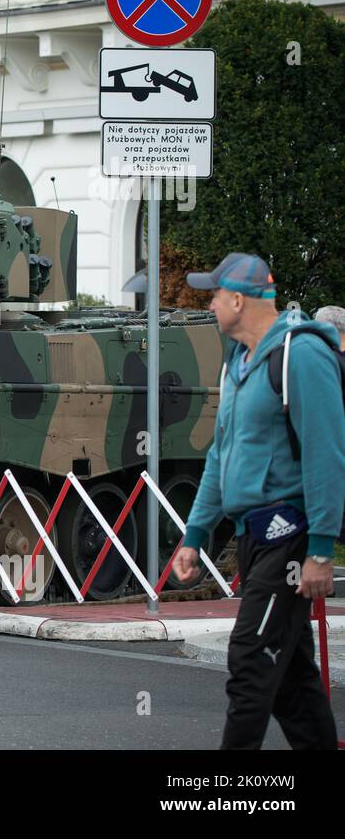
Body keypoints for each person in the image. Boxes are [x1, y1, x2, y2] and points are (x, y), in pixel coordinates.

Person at [174, 252, 342, 749]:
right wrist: (194, 535)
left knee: (249, 659)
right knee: (290, 680)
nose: (209, 303)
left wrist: (321, 549)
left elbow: (327, 454)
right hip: (253, 536)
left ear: (238, 300)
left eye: (214, 294)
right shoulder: (238, 363)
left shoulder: (301, 354)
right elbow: (220, 456)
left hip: (288, 538)